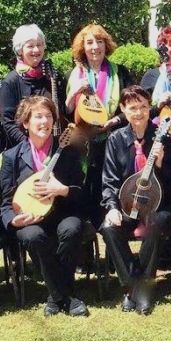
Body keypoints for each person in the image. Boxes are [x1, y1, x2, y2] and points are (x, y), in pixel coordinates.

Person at [0, 96, 88, 317]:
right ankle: (64, 296)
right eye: (38, 116)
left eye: (48, 116)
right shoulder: (12, 157)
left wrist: (62, 190)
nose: (44, 121)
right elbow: (5, 201)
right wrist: (12, 218)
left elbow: (82, 192)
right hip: (30, 216)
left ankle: (55, 296)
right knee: (32, 236)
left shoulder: (67, 150)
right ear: (26, 123)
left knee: (71, 229)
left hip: (64, 212)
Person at [99, 86, 171, 315]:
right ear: (123, 110)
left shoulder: (166, 137)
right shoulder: (115, 139)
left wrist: (160, 164)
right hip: (128, 205)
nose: (138, 112)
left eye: (143, 107)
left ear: (150, 109)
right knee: (109, 227)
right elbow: (109, 181)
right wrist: (111, 207)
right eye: (133, 108)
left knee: (155, 222)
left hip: (161, 204)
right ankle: (134, 286)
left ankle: (139, 289)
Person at [65, 23, 132, 226]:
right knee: (87, 188)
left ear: (106, 45)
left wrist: (114, 121)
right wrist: (74, 91)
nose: (95, 47)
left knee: (111, 185)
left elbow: (129, 105)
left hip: (112, 138)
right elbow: (66, 111)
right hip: (82, 142)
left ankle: (112, 229)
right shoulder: (73, 74)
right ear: (82, 47)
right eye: (90, 42)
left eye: (100, 42)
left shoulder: (120, 72)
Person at [0, 24, 67, 149]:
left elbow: (63, 110)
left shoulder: (52, 76)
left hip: (54, 145)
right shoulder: (11, 81)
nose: (36, 50)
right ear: (20, 50)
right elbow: (7, 122)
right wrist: (29, 144)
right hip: (24, 148)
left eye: (39, 45)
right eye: (30, 46)